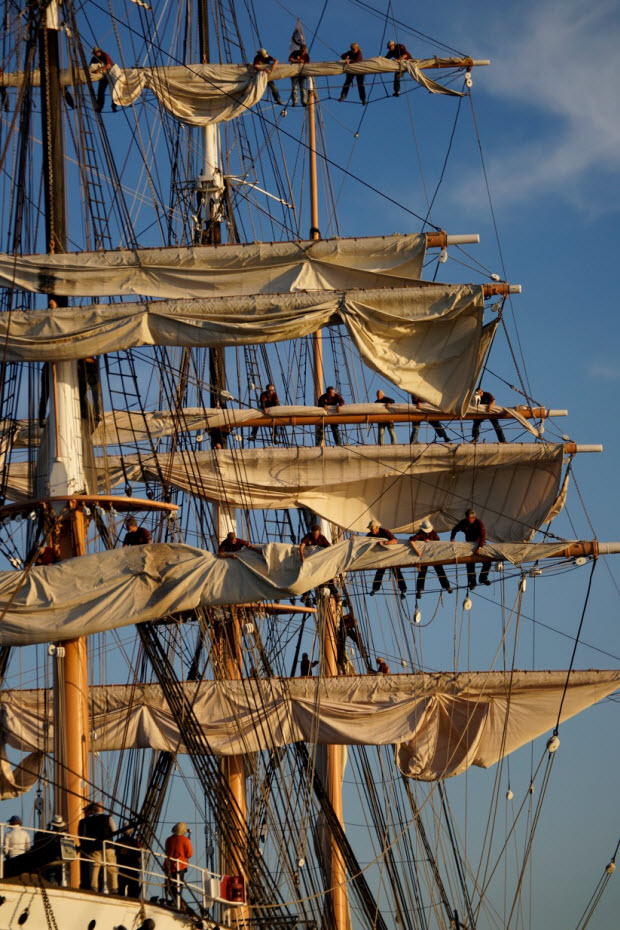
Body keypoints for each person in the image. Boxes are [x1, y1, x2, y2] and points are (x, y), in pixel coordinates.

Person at [78, 801, 118, 893]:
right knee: (111, 867)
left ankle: (94, 886)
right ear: (102, 809)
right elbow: (114, 830)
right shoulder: (108, 818)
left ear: (93, 810)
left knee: (95, 867)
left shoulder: (88, 821)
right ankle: (113, 887)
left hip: (94, 847)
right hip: (107, 847)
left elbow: (84, 835)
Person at [409, 519, 453, 597]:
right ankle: (419, 590)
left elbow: (438, 542)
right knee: (422, 573)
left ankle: (447, 586)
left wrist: (430, 542)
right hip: (424, 556)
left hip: (433, 555)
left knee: (440, 570)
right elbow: (411, 540)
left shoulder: (433, 533)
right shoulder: (420, 533)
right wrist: (418, 551)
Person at [450, 508, 490, 589]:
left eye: (469, 520)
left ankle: (483, 578)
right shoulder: (464, 522)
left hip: (479, 543)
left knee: (487, 561)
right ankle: (472, 582)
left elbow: (483, 536)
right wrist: (452, 539)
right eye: (466, 519)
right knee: (470, 563)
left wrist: (479, 547)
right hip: (469, 544)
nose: (468, 521)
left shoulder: (479, 523)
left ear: (473, 518)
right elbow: (455, 529)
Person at [366, 520, 406, 599]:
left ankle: (403, 590)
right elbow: (363, 540)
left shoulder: (384, 532)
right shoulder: (370, 534)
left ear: (377, 527)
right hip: (382, 556)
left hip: (391, 554)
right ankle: (375, 588)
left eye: (372, 528)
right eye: (370, 529)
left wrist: (384, 543)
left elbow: (394, 541)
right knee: (380, 572)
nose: (371, 530)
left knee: (396, 571)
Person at [299, 524, 337, 595]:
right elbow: (302, 546)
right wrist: (302, 556)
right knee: (309, 575)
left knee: (328, 573)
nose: (316, 536)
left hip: (321, 560)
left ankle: (334, 591)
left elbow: (329, 548)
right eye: (314, 534)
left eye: (317, 534)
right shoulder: (308, 537)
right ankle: (306, 593)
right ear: (312, 533)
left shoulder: (322, 538)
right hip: (311, 561)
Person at [164, 821, 193, 902]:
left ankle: (172, 900)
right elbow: (189, 854)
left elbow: (167, 851)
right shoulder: (185, 840)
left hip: (168, 866)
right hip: (180, 866)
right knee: (178, 886)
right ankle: (177, 901)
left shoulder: (169, 839)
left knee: (169, 885)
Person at [116, 825, 142, 898]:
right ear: (131, 831)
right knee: (133, 889)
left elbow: (116, 853)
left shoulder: (118, 841)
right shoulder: (133, 842)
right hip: (132, 867)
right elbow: (138, 854)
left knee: (121, 887)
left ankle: (120, 896)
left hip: (122, 867)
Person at [90, 46, 116, 112]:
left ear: (100, 51)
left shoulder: (105, 55)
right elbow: (90, 68)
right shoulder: (94, 58)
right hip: (103, 76)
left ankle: (114, 105)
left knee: (114, 89)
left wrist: (98, 70)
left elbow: (108, 65)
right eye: (96, 53)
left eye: (98, 52)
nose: (97, 53)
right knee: (100, 91)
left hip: (111, 73)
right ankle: (100, 107)